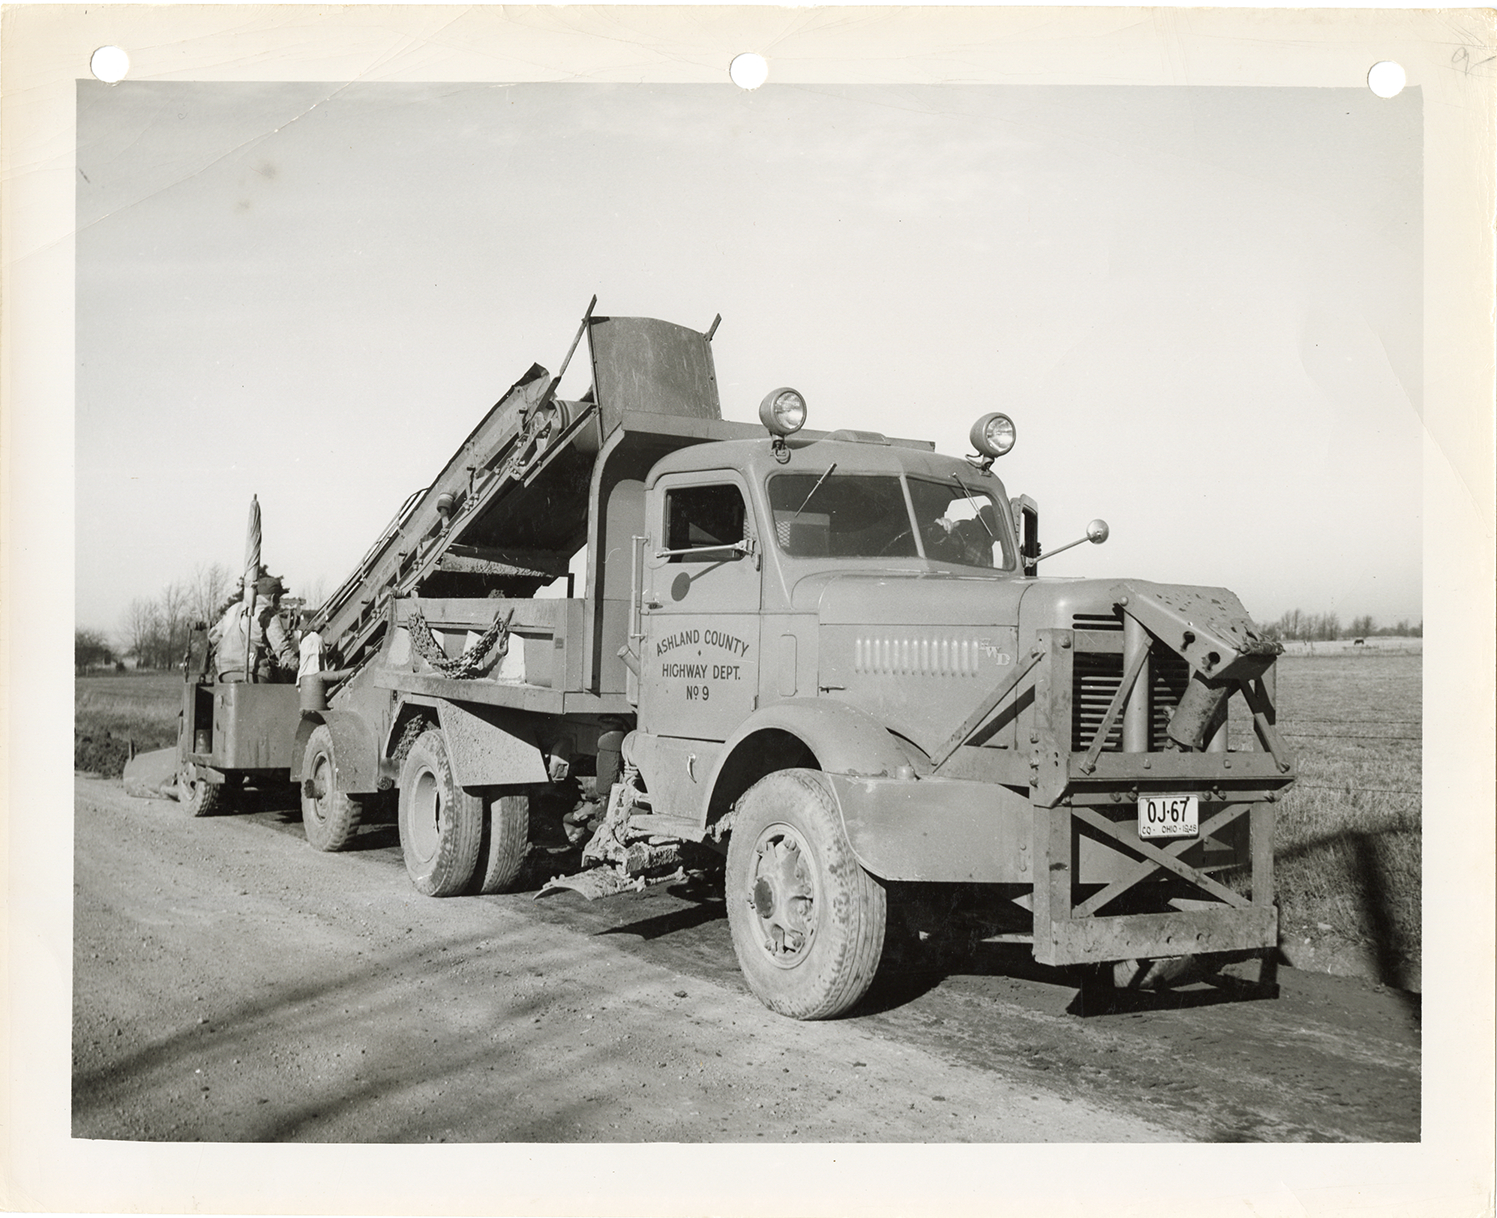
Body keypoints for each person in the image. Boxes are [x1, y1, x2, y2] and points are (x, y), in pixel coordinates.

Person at [209, 575, 299, 682]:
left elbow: (212, 636)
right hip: (254, 673)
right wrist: (300, 670)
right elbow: (282, 649)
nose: (279, 604)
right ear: (273, 597)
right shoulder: (268, 614)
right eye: (278, 599)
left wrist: (232, 652)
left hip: (225, 672)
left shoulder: (234, 609)